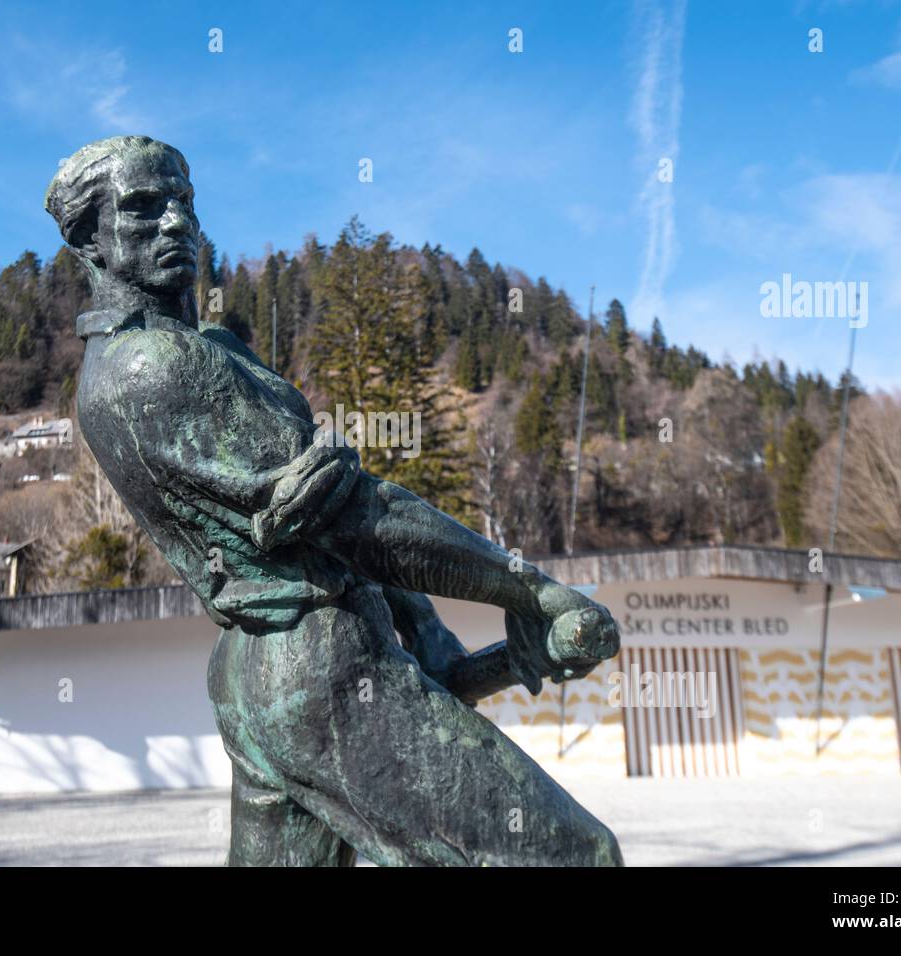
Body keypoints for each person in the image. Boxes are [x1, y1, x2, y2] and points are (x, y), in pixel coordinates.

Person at [46, 135, 623, 865]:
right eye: (143, 209)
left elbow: (322, 522)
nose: (176, 225)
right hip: (314, 663)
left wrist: (429, 633)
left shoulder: (213, 350)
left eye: (185, 205)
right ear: (86, 241)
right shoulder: (150, 366)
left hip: (270, 671)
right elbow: (352, 518)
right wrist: (528, 588)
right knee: (573, 855)